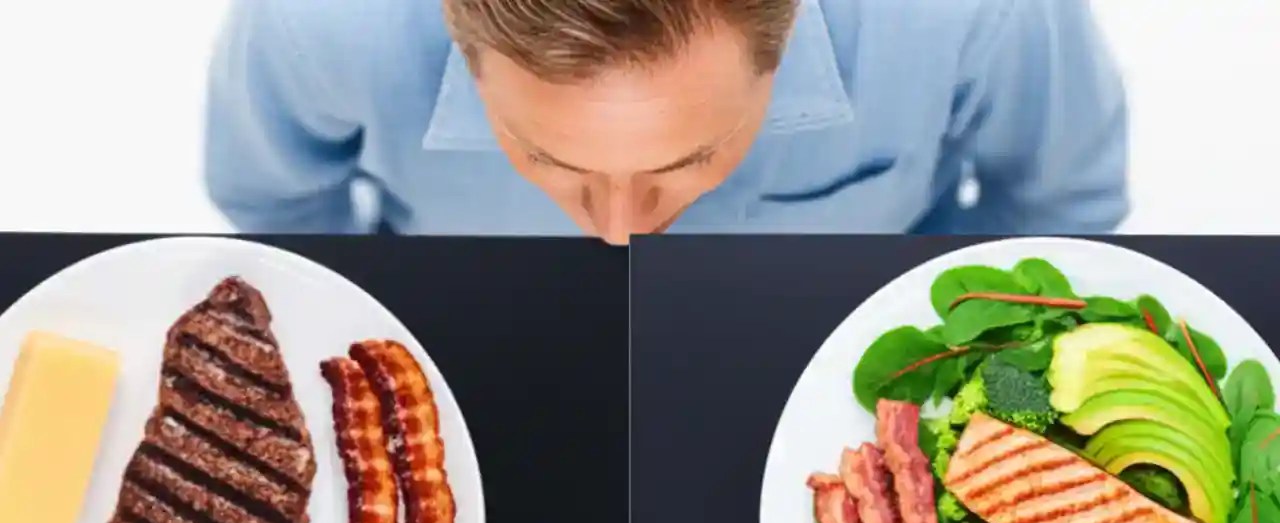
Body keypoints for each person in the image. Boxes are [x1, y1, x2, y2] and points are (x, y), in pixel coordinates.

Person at [204, 0, 1129, 245]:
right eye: (546, 155)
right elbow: (281, 211)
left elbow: (1058, 209)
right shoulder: (317, 23)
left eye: (690, 158)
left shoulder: (974, 14)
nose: (620, 233)